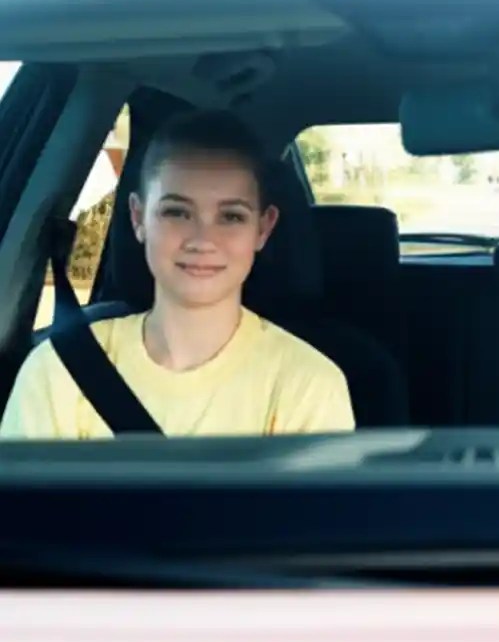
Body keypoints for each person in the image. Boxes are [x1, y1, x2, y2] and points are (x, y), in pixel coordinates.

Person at [1, 110, 356, 439]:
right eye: (177, 213)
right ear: (138, 219)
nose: (203, 240)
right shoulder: (59, 370)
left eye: (231, 216)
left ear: (263, 229)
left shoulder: (306, 385)